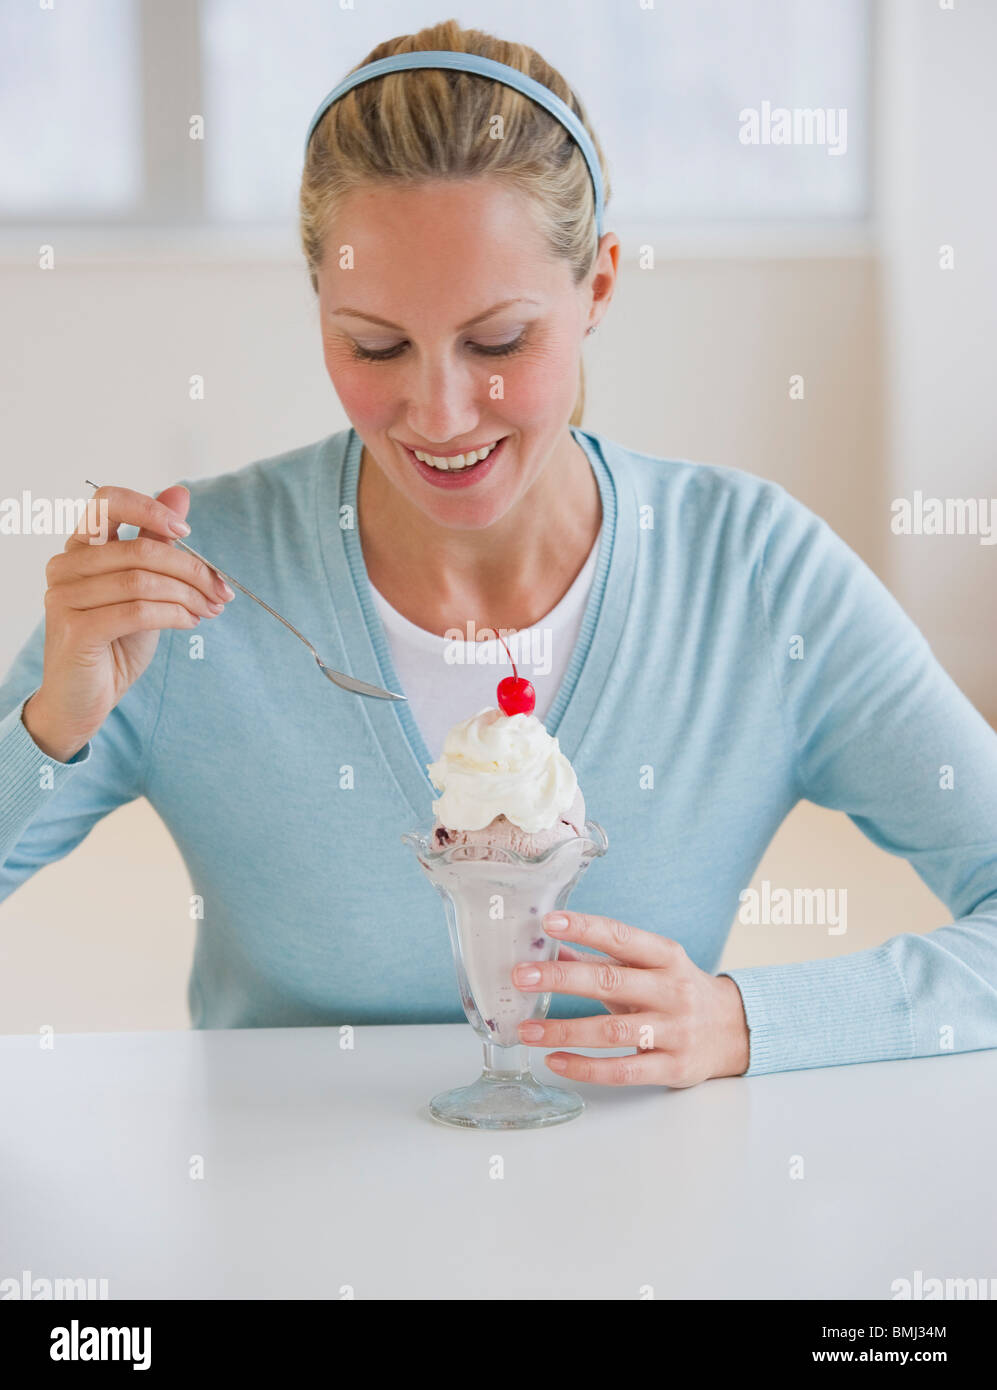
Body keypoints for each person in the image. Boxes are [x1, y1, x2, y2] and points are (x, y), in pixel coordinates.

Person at [2, 19, 996, 1089]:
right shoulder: (198, 583)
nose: (437, 411)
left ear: (599, 289)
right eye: (375, 343)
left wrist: (743, 1021)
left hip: (647, 1232)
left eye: (498, 342)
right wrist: (52, 722)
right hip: (280, 1236)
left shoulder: (753, 574)